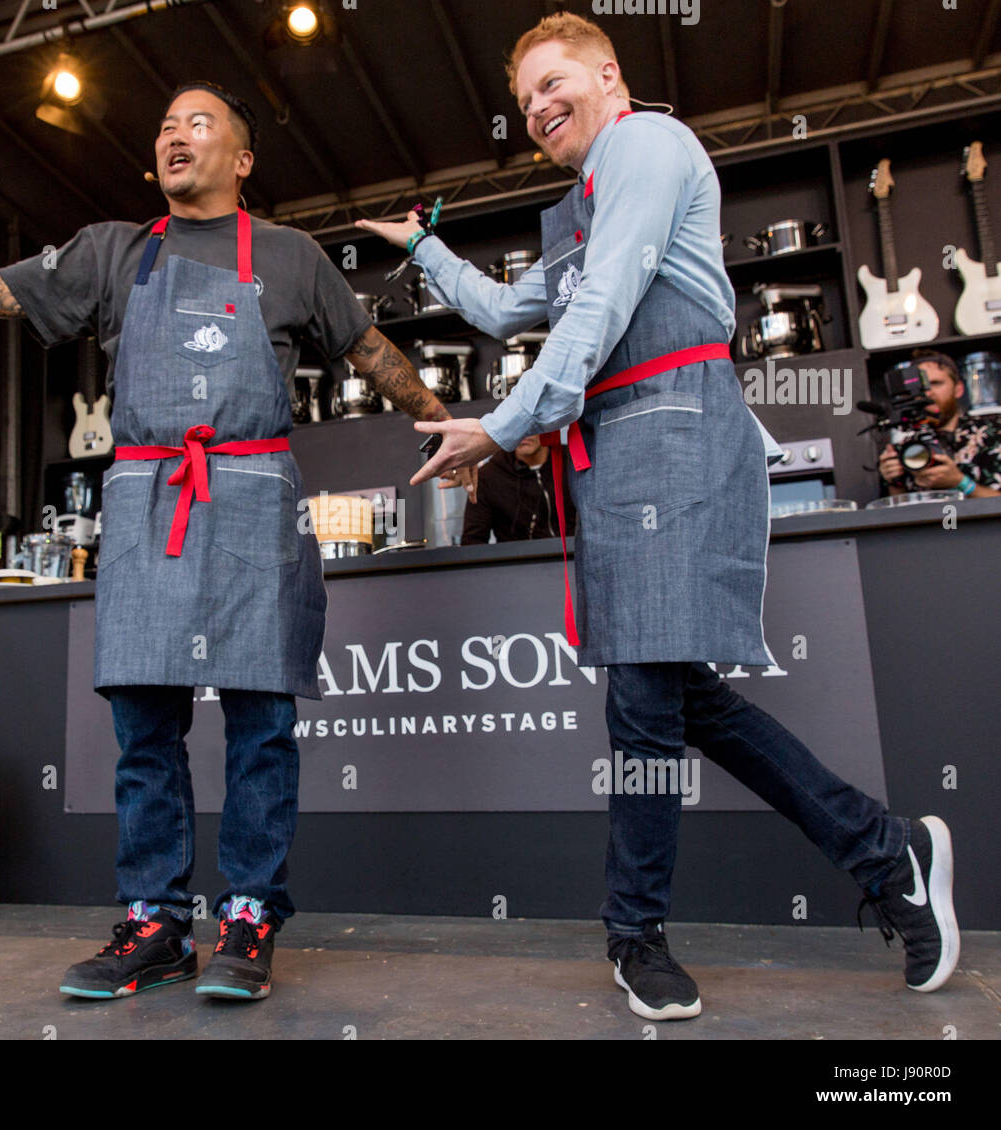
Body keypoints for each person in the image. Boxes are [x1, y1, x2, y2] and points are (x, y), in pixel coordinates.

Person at [358, 12, 959, 1020]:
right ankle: (884, 847)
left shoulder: (644, 146)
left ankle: (634, 932)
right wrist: (425, 247)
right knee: (675, 695)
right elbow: (515, 311)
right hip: (623, 446)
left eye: (554, 84)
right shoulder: (586, 207)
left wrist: (498, 429)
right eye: (523, 103)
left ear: (607, 73)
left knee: (643, 695)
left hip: (672, 431)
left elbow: (591, 319)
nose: (539, 108)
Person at [0, 81, 460, 1003]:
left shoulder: (291, 256)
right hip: (147, 498)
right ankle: (157, 923)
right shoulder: (113, 251)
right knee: (144, 731)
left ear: (242, 159)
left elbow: (368, 352)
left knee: (261, 729)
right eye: (163, 124)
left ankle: (247, 920)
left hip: (250, 497)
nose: (174, 135)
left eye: (198, 123)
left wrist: (444, 423)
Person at [878, 351, 1001, 498]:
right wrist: (894, 482)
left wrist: (960, 483)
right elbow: (897, 516)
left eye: (936, 383)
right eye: (921, 387)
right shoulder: (903, 449)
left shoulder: (993, 431)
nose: (928, 393)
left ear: (958, 389)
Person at [461, 435, 575, 543]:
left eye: (531, 424)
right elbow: (473, 541)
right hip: (515, 561)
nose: (524, 433)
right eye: (518, 424)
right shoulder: (488, 477)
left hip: (575, 557)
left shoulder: (573, 461)